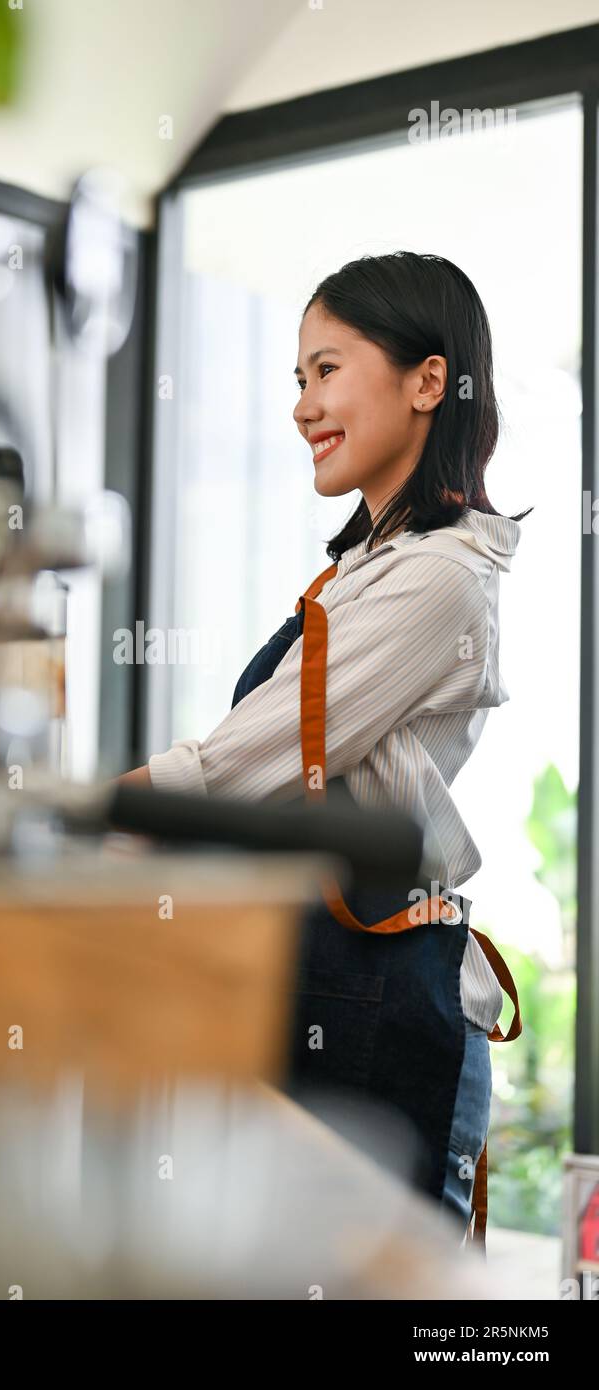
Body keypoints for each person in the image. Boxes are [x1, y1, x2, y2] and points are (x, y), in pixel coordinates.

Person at [118, 251, 528, 1245]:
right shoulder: (362, 568)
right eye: (298, 379)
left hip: (382, 1017)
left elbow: (235, 766)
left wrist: (92, 815)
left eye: (328, 369)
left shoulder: (439, 580)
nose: (304, 405)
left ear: (430, 381)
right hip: (328, 993)